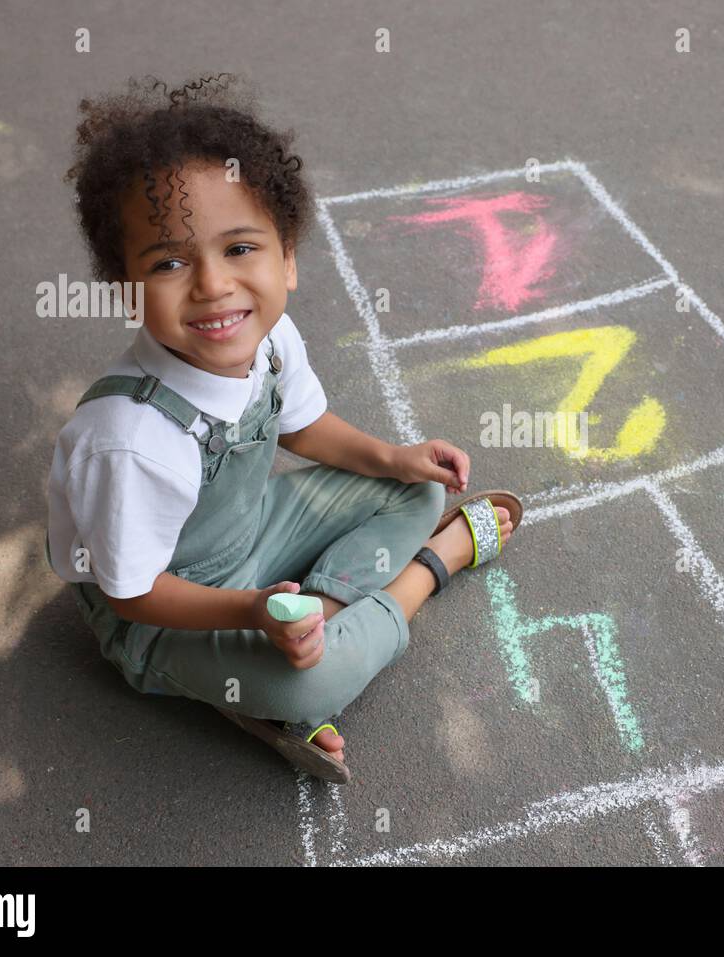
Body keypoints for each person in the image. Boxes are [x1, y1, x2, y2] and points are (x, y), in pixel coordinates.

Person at [45, 74, 521, 783]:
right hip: (164, 615)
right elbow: (130, 593)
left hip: (253, 538)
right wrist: (253, 610)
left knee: (412, 492)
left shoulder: (269, 340)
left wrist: (394, 455)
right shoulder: (132, 442)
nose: (212, 285)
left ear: (288, 257)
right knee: (313, 684)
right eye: (170, 262)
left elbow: (304, 427)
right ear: (125, 288)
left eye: (240, 249)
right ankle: (426, 572)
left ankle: (308, 619)